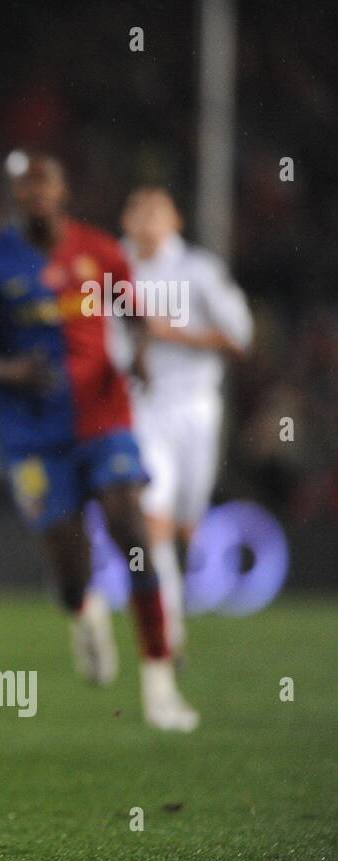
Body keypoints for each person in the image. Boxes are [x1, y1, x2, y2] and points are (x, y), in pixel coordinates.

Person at [0, 152, 198, 732]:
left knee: (131, 526)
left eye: (44, 184)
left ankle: (159, 682)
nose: (35, 195)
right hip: (32, 437)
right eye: (24, 186)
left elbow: (135, 316)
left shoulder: (100, 250)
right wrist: (11, 374)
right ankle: (83, 611)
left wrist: (144, 361)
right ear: (12, 195)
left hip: (104, 421)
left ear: (61, 189)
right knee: (71, 565)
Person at [121, 186, 252, 653]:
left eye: (156, 211)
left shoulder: (199, 271)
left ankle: (185, 570)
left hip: (196, 408)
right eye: (137, 210)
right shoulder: (114, 270)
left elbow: (240, 337)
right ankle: (169, 630)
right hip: (143, 407)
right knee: (152, 516)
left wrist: (171, 333)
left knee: (186, 519)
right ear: (125, 219)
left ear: (175, 219)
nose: (146, 220)